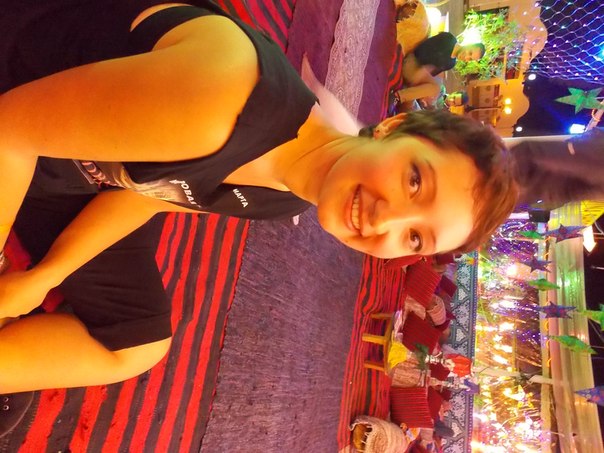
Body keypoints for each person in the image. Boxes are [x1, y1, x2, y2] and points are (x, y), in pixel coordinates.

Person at [0, 0, 517, 436]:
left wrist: (44, 275)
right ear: (391, 128)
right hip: (21, 108)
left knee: (138, 344)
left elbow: (152, 195)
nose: (388, 218)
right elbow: (11, 131)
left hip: (76, 171)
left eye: (414, 237)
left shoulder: (290, 196)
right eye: (414, 181)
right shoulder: (223, 100)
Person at [397, 33, 486, 104]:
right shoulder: (448, 39)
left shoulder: (451, 63)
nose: (466, 57)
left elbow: (432, 74)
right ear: (469, 44)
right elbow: (421, 50)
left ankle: (398, 97)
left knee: (435, 90)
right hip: (413, 62)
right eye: (470, 53)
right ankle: (398, 96)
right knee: (434, 89)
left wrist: (427, 95)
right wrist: (425, 69)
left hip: (417, 76)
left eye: (470, 59)